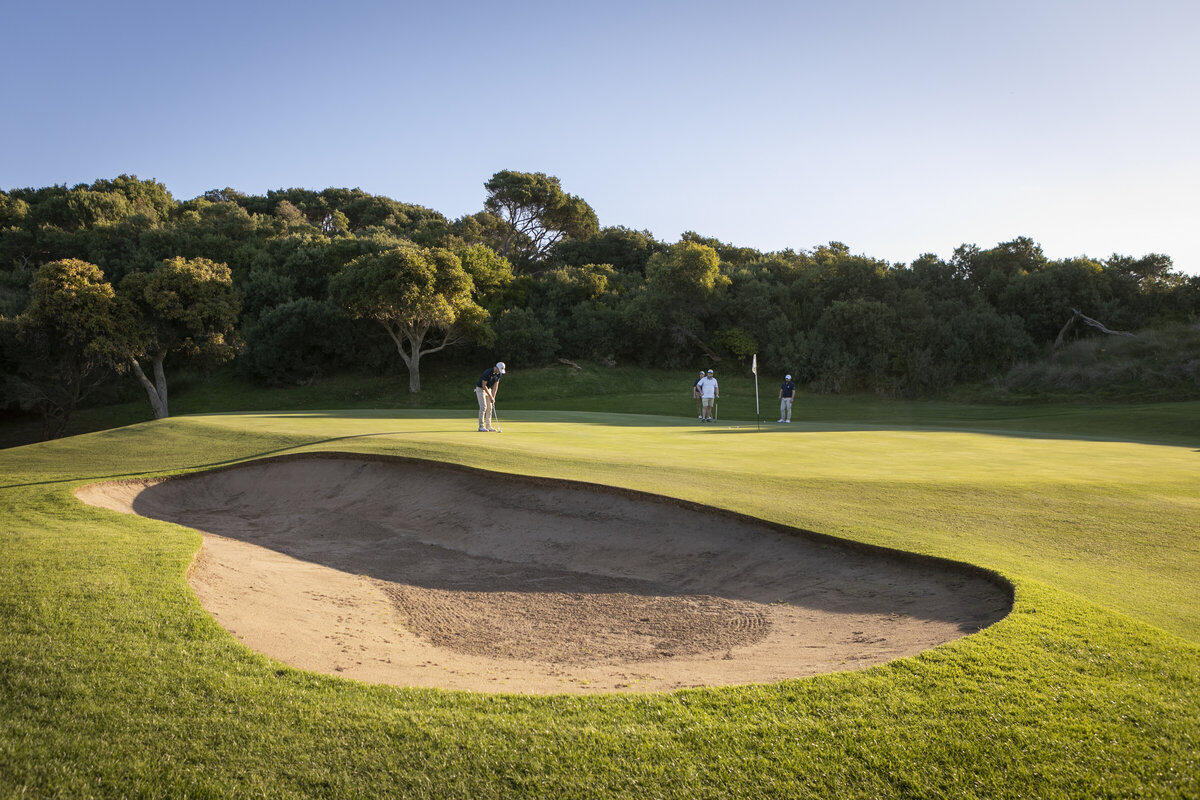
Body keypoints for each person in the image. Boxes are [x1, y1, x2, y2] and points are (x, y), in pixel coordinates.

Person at [475, 361, 505, 431]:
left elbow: (495, 385)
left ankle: (488, 426)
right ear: (496, 367)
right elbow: (483, 385)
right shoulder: (487, 373)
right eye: (499, 370)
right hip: (480, 389)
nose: (499, 372)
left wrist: (493, 397)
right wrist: (490, 396)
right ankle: (481, 426)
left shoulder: (498, 374)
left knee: (490, 407)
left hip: (488, 389)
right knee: (483, 407)